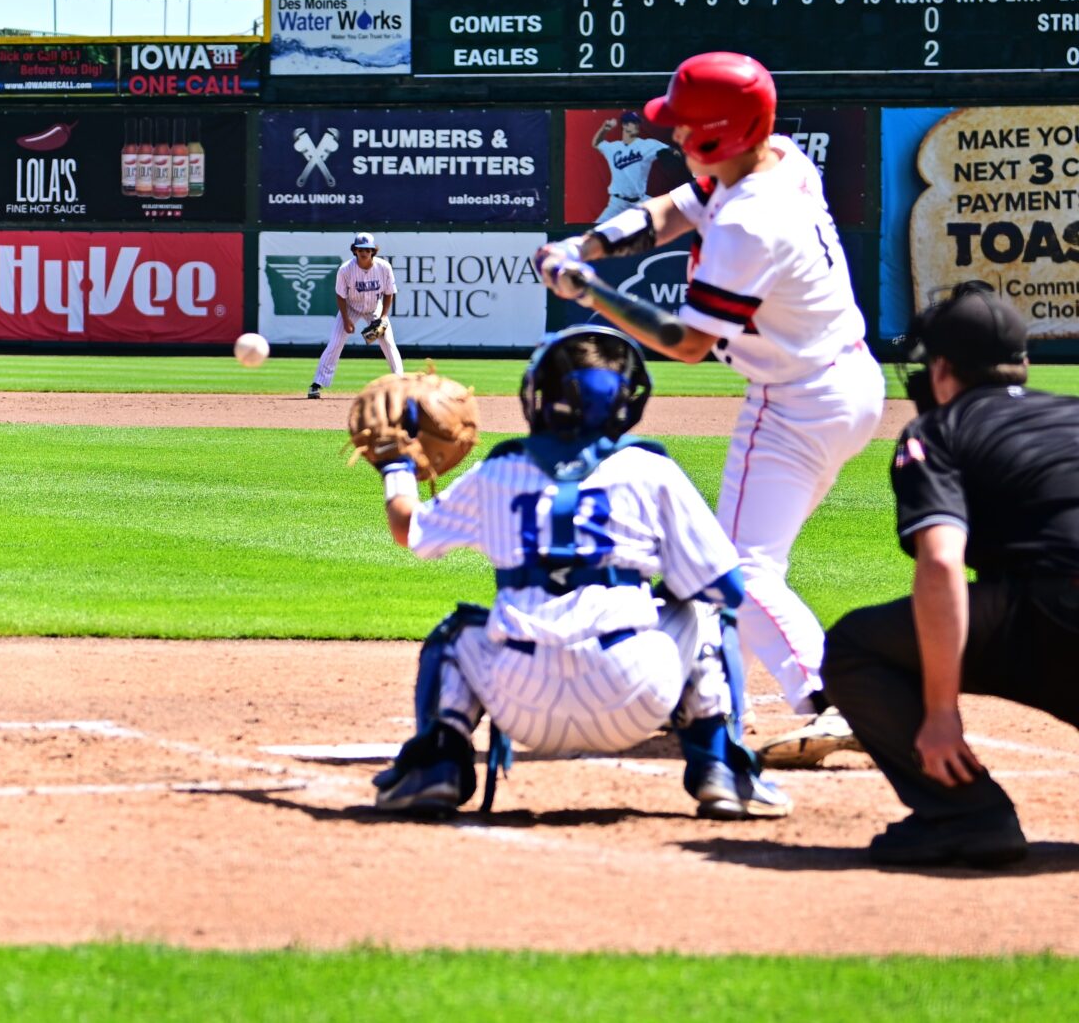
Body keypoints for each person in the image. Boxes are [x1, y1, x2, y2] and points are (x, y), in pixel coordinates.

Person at [534, 52, 884, 769]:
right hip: (842, 381)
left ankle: (832, 696)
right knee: (729, 564)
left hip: (796, 400)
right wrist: (592, 245)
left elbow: (688, 341)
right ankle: (713, 701)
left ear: (716, 135)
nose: (674, 136)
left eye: (687, 127)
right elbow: (674, 209)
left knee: (737, 568)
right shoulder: (777, 158)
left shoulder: (751, 224)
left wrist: (587, 289)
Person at [365, 326, 788, 820]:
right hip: (635, 694)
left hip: (522, 702)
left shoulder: (498, 472)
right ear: (626, 402)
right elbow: (728, 588)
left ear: (537, 396)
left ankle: (435, 768)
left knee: (457, 635)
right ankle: (721, 768)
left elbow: (408, 528)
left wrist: (396, 464)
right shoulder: (650, 470)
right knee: (705, 611)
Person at [822, 285, 1079, 867]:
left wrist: (941, 713)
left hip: (1051, 608)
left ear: (940, 369)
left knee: (855, 647)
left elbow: (940, 561)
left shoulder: (938, 432)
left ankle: (967, 815)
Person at [308, 232, 403, 400]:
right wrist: (346, 319)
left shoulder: (383, 267)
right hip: (350, 307)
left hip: (374, 308)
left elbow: (389, 293)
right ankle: (317, 384)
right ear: (355, 250)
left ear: (373, 250)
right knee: (336, 342)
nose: (364, 252)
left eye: (367, 249)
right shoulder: (345, 269)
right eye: (360, 249)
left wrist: (383, 317)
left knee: (388, 341)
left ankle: (400, 381)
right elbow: (341, 296)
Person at [590, 111, 672, 224]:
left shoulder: (648, 144)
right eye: (634, 123)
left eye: (638, 123)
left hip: (640, 201)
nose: (637, 125)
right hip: (618, 203)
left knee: (666, 219)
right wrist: (605, 129)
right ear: (625, 125)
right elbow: (596, 143)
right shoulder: (613, 147)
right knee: (596, 229)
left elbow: (672, 151)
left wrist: (674, 155)